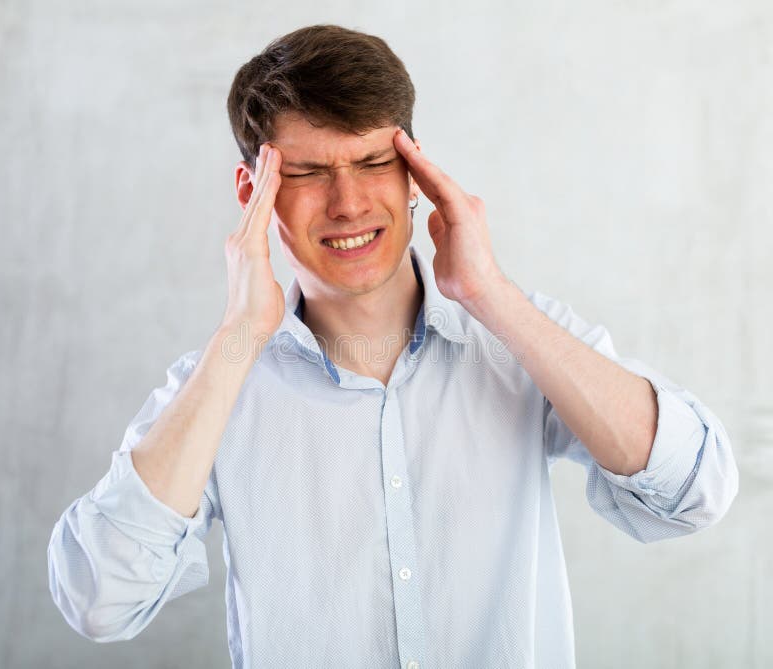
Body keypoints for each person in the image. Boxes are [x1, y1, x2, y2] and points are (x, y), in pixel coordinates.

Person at [47, 24, 739, 669]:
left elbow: (694, 489)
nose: (348, 202)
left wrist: (490, 295)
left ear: (415, 174)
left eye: (374, 161)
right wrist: (237, 337)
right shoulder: (222, 382)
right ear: (251, 191)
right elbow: (99, 599)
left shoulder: (514, 335)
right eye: (308, 172)